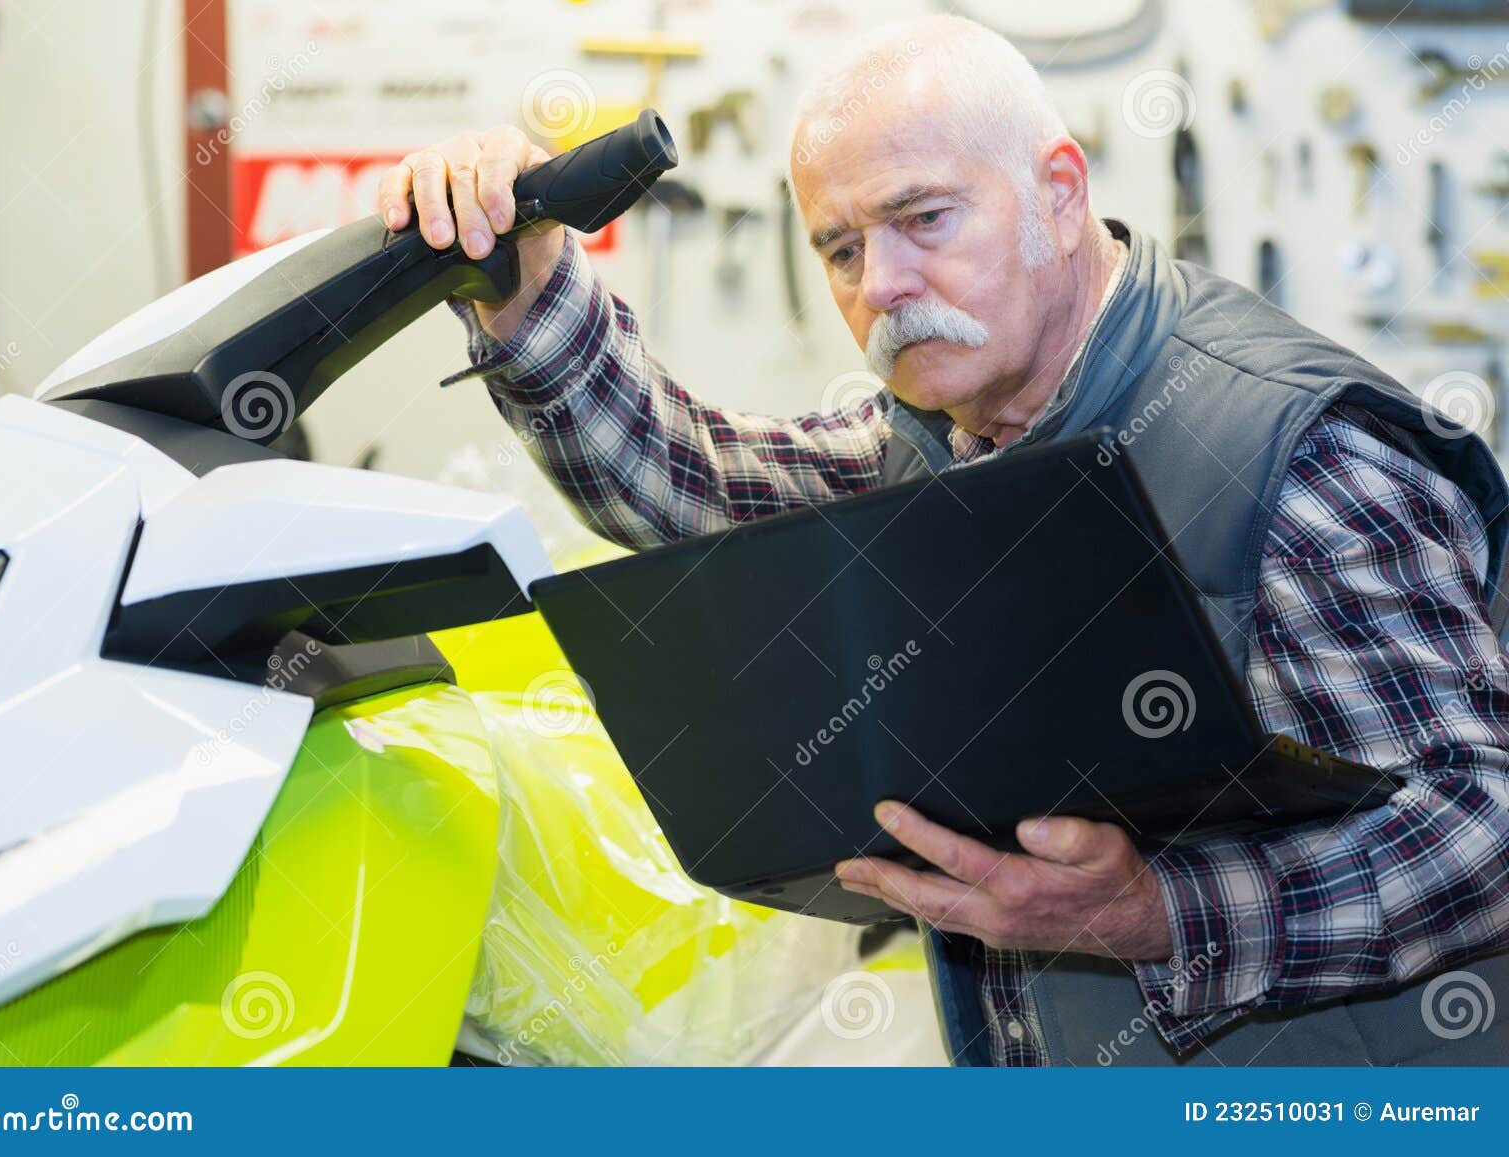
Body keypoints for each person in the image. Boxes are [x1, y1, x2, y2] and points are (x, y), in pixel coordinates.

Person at [378, 14, 1509, 1065]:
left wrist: (1155, 913)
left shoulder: (1295, 446)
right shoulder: (940, 437)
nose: (886, 287)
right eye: (839, 250)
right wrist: (525, 294)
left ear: (1058, 193)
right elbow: (684, 484)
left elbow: (1485, 826)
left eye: (924, 219)